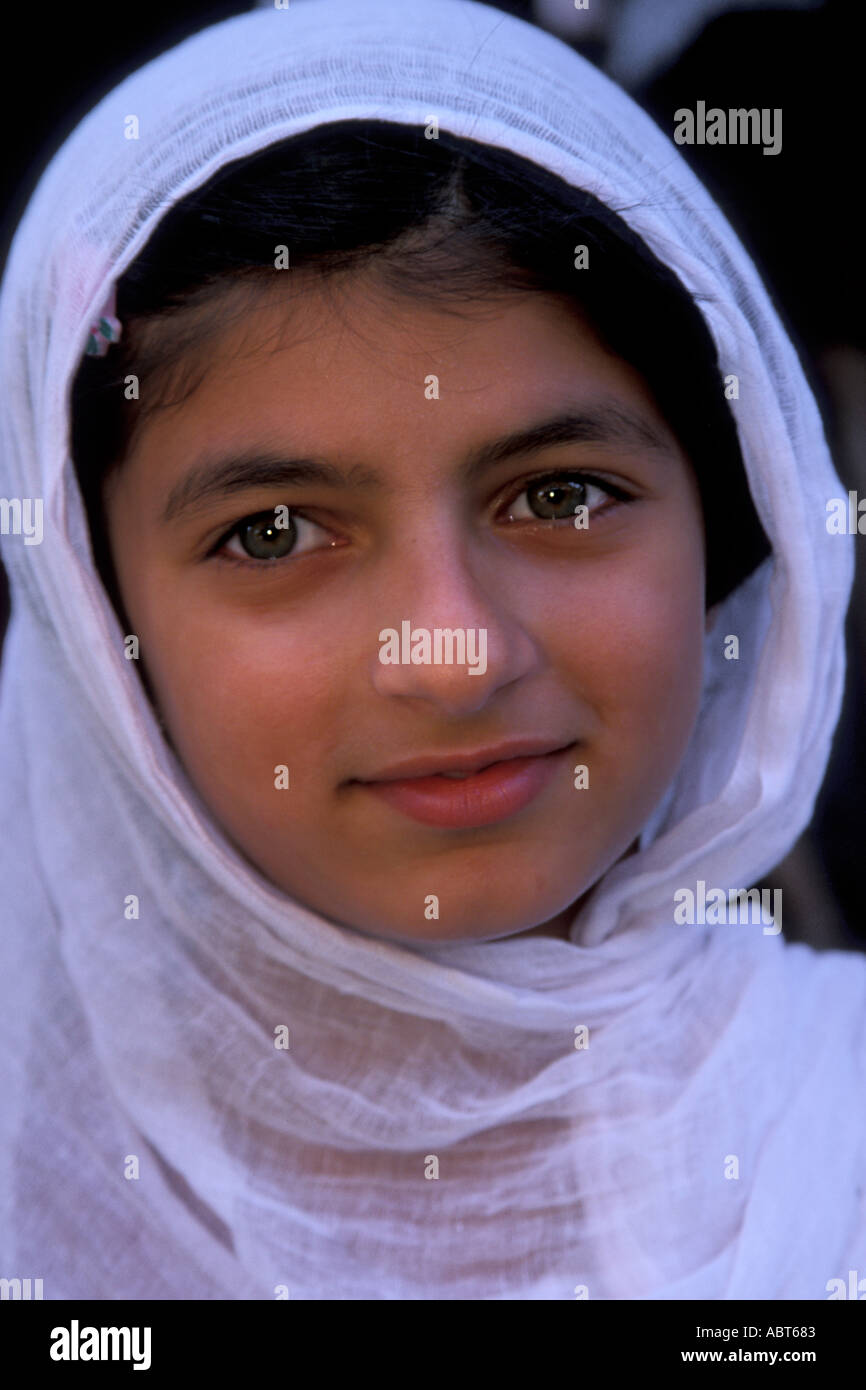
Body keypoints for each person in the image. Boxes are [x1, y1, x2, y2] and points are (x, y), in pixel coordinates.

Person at [0, 0, 862, 1300]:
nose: (452, 651)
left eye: (560, 496)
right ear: (96, 618)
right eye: (275, 531)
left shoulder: (832, 1146)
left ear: (723, 521)